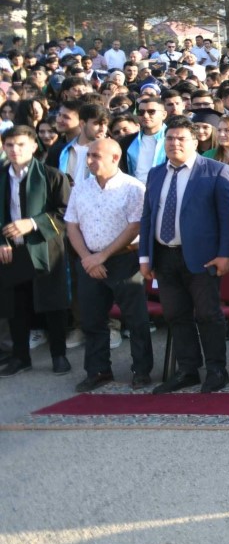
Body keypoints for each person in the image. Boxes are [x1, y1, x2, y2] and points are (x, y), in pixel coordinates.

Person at [140, 117, 229, 394]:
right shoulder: (156, 173)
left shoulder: (215, 171)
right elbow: (148, 216)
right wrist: (145, 257)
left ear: (195, 142)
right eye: (170, 138)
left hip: (203, 258)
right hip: (164, 256)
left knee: (208, 314)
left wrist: (226, 254)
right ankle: (187, 370)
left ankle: (217, 370)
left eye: (181, 138)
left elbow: (228, 217)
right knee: (175, 314)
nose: (174, 143)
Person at [66, 136, 150, 391]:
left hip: (125, 259)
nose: (89, 161)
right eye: (89, 156)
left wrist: (102, 256)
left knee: (135, 319)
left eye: (96, 156)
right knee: (92, 319)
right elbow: (72, 225)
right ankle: (98, 370)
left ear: (115, 158)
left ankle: (141, 370)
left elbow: (135, 225)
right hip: (89, 261)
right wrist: (87, 258)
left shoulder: (132, 187)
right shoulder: (81, 188)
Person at [0, 126, 70, 377]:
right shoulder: (1, 175)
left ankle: (59, 355)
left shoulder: (52, 175)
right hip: (12, 249)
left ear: (33, 146)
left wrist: (32, 223)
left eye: (20, 144)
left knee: (51, 302)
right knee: (16, 305)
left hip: (45, 245)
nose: (15, 150)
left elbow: (65, 211)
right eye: (9, 145)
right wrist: (2, 241)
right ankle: (20, 357)